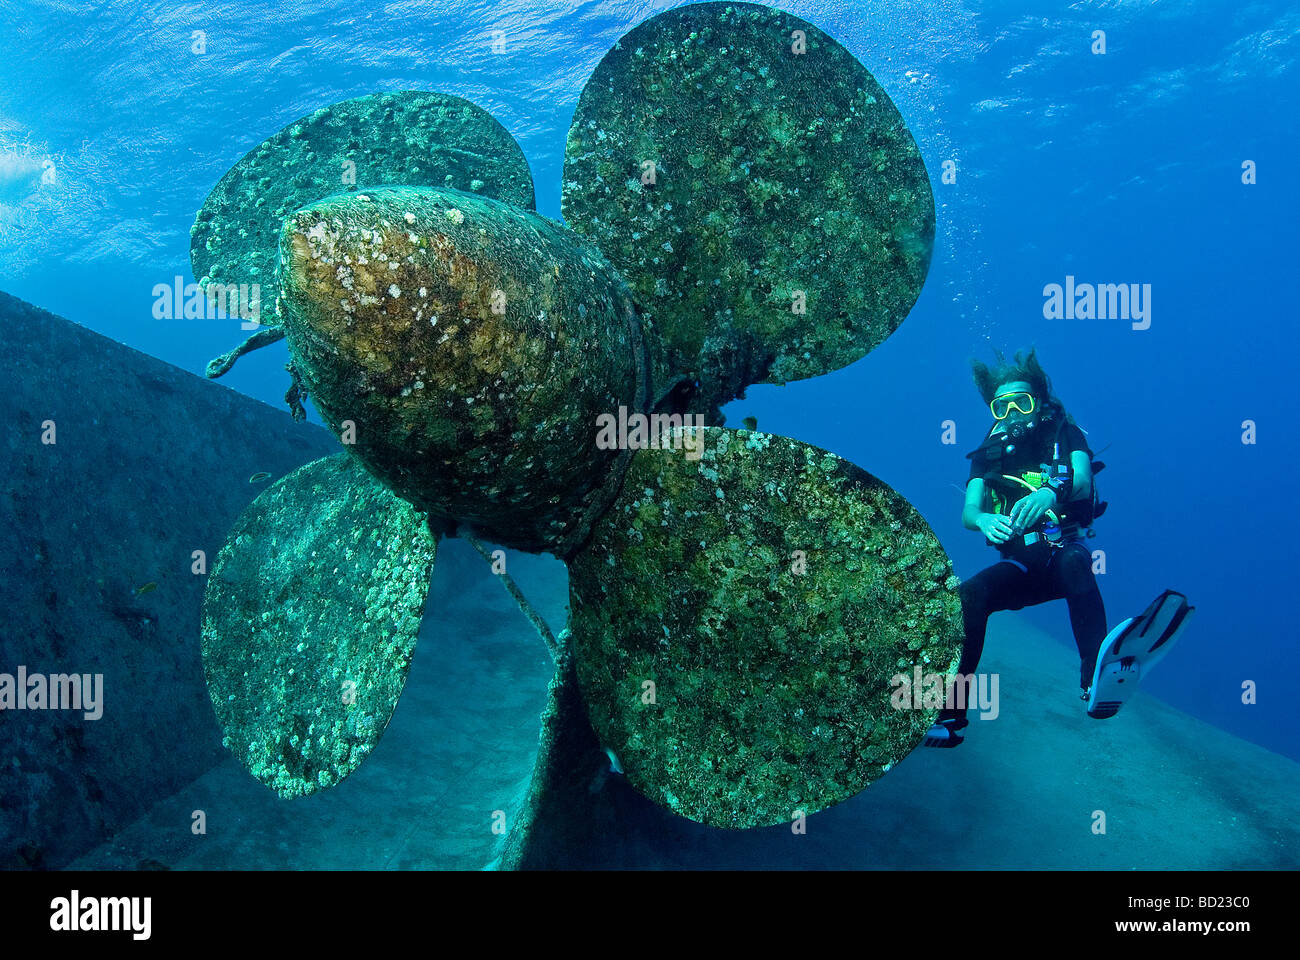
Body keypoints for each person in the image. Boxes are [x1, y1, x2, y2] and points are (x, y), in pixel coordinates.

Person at [925, 348, 1107, 747]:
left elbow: (1081, 481)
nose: (1012, 415)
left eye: (1021, 403)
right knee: (968, 595)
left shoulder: (1063, 431)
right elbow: (969, 512)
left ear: (1038, 401)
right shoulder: (989, 451)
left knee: (1077, 562)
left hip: (1061, 554)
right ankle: (950, 714)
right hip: (1021, 566)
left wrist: (1049, 494)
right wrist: (986, 520)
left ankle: (1097, 680)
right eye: (1001, 407)